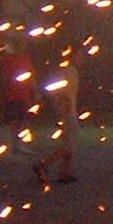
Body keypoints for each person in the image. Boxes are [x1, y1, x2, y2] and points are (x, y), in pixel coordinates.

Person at [35, 54, 80, 184]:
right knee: (68, 146)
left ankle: (66, 172)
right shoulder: (70, 71)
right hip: (68, 112)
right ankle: (44, 165)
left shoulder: (61, 71)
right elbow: (66, 92)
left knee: (69, 142)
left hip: (64, 111)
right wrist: (68, 109)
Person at [0, 33, 37, 157]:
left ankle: (19, 144)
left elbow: (31, 76)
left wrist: (34, 91)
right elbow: (5, 77)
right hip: (12, 94)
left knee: (23, 119)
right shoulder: (9, 59)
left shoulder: (26, 59)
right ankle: (10, 144)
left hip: (24, 94)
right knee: (13, 120)